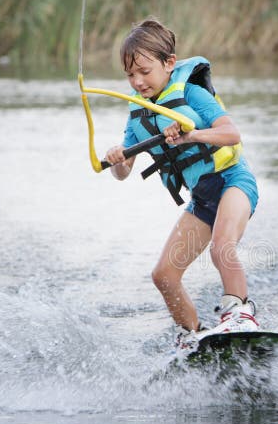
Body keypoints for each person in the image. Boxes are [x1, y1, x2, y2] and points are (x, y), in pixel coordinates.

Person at [103, 18, 259, 345]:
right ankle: (192, 338)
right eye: (130, 75)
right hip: (202, 200)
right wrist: (117, 158)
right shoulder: (138, 113)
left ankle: (241, 313)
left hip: (233, 182)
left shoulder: (192, 93)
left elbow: (231, 134)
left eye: (144, 71)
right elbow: (123, 171)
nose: (137, 81)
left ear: (169, 63)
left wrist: (192, 135)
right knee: (164, 275)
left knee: (222, 246)